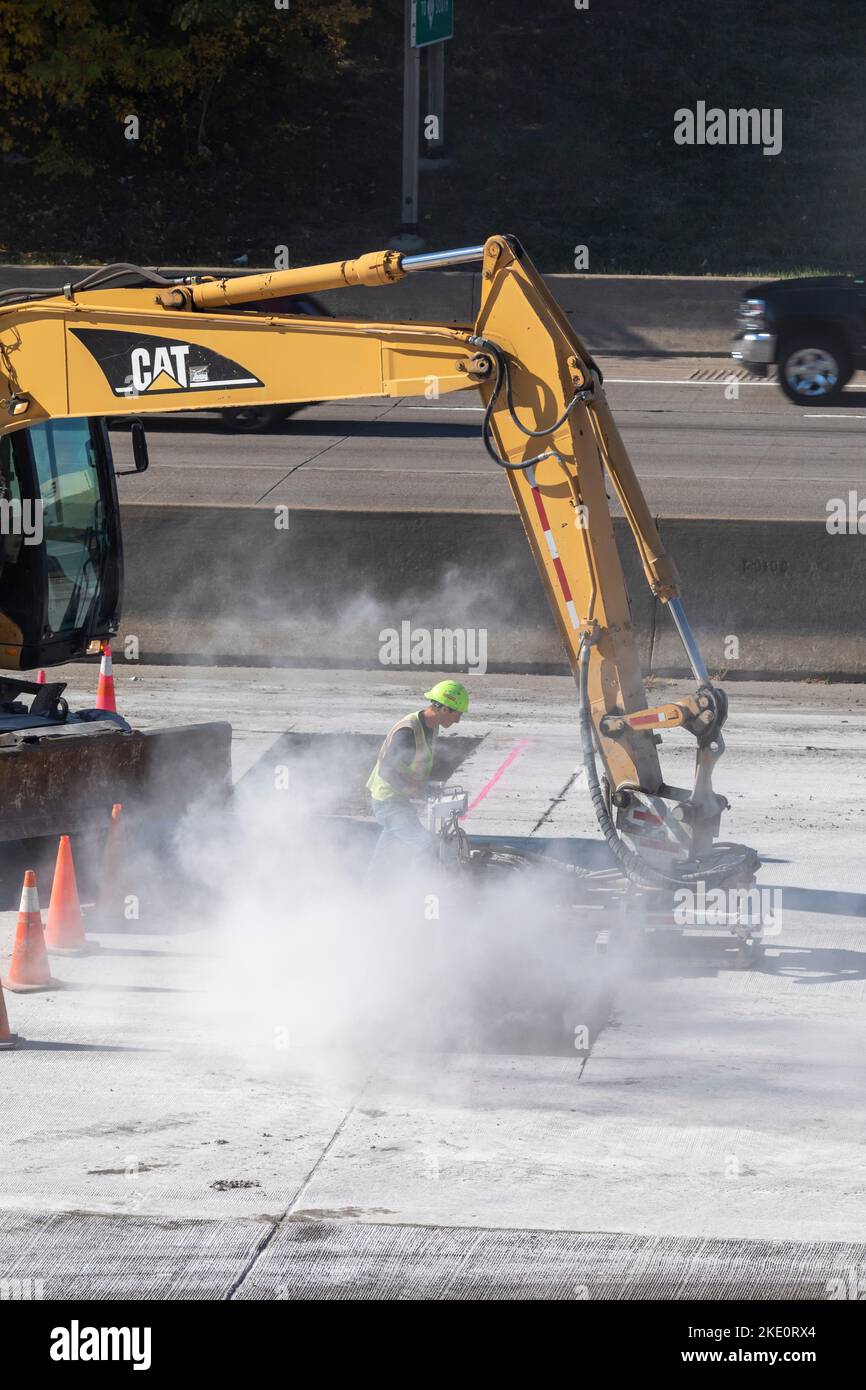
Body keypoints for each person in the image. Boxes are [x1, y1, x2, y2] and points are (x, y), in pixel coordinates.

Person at [365, 679, 469, 876]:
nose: (458, 720)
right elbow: (386, 771)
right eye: (458, 713)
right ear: (444, 708)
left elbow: (417, 762)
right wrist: (418, 791)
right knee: (426, 844)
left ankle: (369, 892)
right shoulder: (407, 732)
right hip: (388, 801)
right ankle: (418, 891)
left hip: (399, 801)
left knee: (384, 857)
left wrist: (427, 786)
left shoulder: (431, 725)